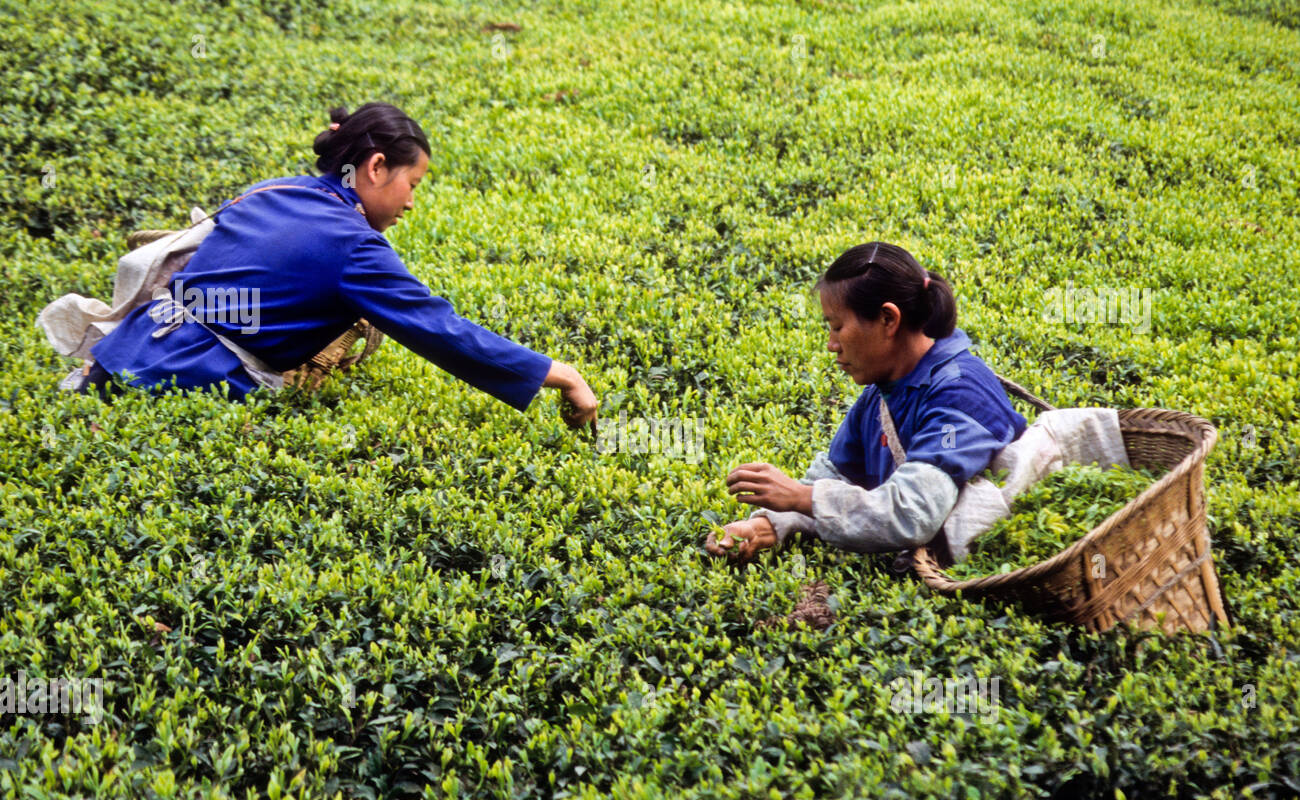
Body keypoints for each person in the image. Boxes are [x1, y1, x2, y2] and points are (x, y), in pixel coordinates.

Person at [83, 102, 598, 430]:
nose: (411, 203)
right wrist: (561, 374)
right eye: (412, 185)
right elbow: (441, 330)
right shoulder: (354, 246)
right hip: (190, 381)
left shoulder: (277, 189)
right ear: (377, 168)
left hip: (121, 354)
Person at [705, 241, 1027, 562]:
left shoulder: (960, 394)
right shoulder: (883, 392)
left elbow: (913, 513)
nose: (832, 344)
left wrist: (801, 497)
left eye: (837, 327)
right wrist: (767, 526)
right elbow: (837, 476)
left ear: (888, 319)